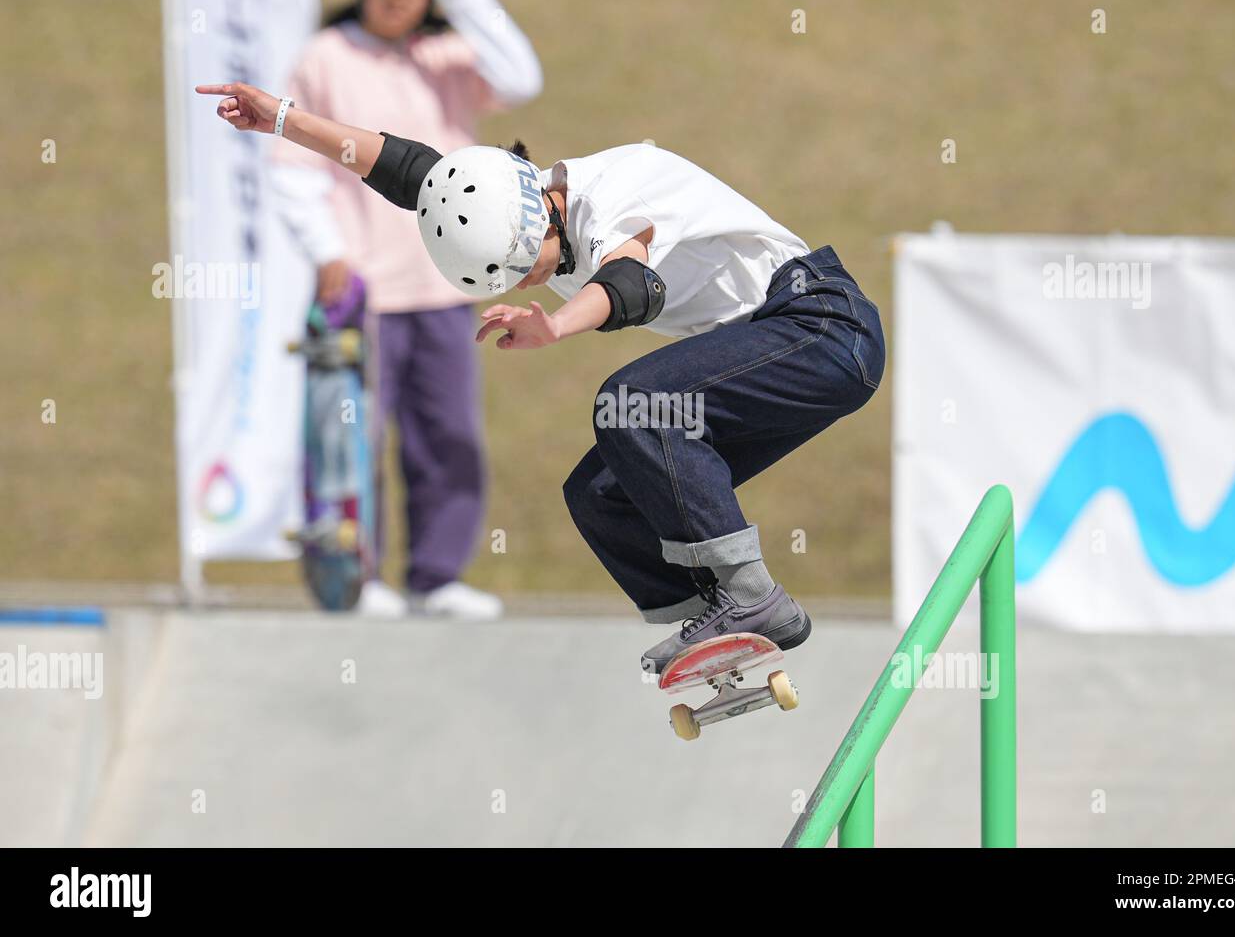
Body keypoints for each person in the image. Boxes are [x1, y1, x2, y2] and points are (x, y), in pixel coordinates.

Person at [196, 82, 886, 671]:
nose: (537, 279)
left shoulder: (614, 189)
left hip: (822, 328)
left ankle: (751, 596)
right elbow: (417, 175)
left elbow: (631, 280)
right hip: (769, 352)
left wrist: (556, 326)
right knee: (601, 493)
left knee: (632, 402)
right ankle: (718, 618)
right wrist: (284, 118)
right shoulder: (510, 196)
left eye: (528, 265)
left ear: (541, 215)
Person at [271, 0, 542, 619]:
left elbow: (522, 79)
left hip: (444, 285)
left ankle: (436, 576)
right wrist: (327, 252)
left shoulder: (448, 54)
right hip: (364, 291)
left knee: (449, 434)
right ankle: (355, 579)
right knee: (353, 440)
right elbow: (291, 167)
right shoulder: (324, 56)